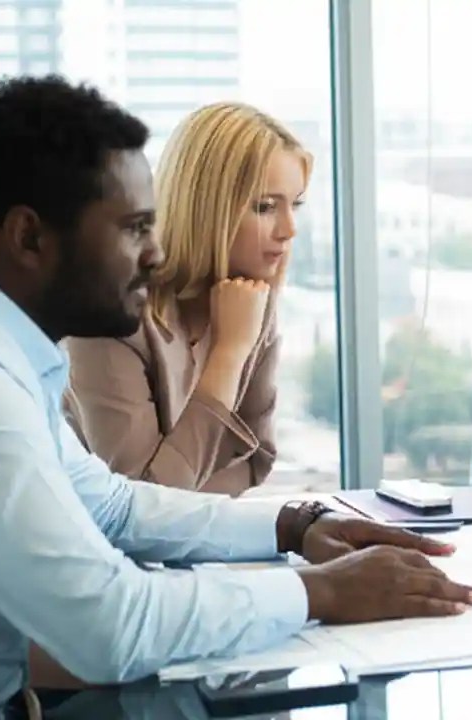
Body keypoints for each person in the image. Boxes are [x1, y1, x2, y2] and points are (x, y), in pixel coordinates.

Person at [0, 76, 472, 719]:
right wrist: (319, 592)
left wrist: (295, 524)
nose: (154, 254)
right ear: (29, 238)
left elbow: (113, 506)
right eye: (133, 229)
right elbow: (110, 626)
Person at [63, 102, 306, 495]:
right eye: (264, 207)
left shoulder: (253, 300)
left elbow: (258, 460)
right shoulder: (109, 311)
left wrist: (180, 478)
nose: (289, 229)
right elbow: (146, 502)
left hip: (195, 542)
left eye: (295, 204)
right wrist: (229, 353)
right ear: (206, 208)